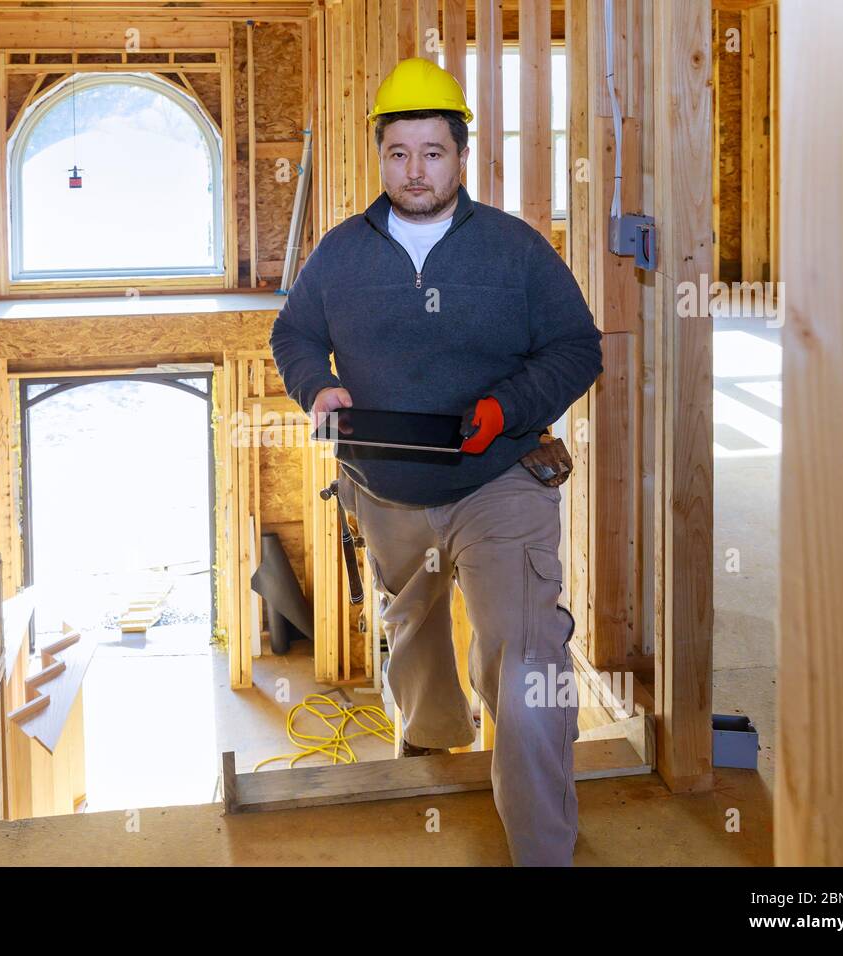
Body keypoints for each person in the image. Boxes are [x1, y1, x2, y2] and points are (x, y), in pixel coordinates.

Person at [269, 57, 603, 866]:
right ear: (379, 157)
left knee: (523, 665)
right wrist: (318, 387)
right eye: (398, 153)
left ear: (461, 156)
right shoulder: (341, 254)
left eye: (432, 152)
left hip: (499, 485)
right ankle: (431, 749)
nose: (414, 171)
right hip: (386, 491)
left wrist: (507, 409)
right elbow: (294, 336)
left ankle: (542, 850)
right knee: (413, 634)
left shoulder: (516, 252)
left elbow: (577, 348)